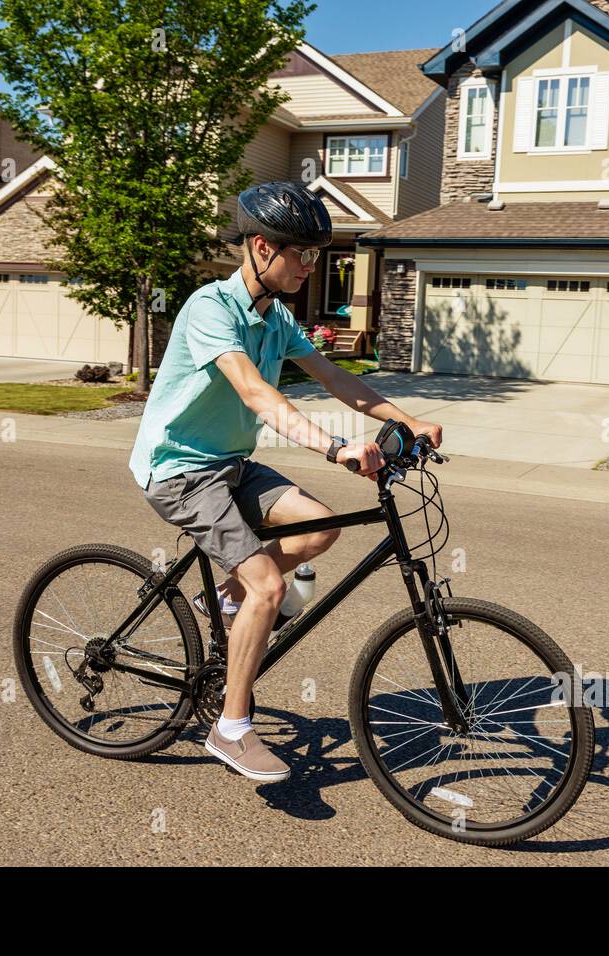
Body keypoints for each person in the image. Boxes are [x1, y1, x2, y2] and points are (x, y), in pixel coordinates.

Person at [129, 180, 443, 782]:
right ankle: (230, 728)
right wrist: (333, 447)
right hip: (180, 471)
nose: (309, 264)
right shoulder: (209, 309)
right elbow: (256, 392)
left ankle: (225, 599)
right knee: (271, 587)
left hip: (231, 465)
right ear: (260, 248)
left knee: (318, 526)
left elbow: (336, 379)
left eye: (314, 253)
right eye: (300, 252)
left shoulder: (277, 318)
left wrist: (406, 420)